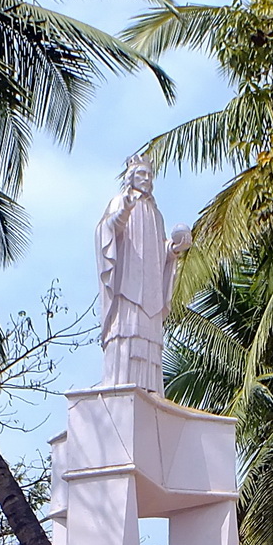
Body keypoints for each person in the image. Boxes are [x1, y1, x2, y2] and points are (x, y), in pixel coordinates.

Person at [95, 154, 191, 391]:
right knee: (126, 335)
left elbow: (158, 250)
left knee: (149, 343)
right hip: (128, 287)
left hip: (149, 292)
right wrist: (124, 212)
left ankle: (150, 391)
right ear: (131, 177)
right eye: (141, 174)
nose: (146, 179)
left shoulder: (155, 214)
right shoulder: (121, 201)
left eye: (149, 175)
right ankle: (121, 386)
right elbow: (107, 231)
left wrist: (173, 249)